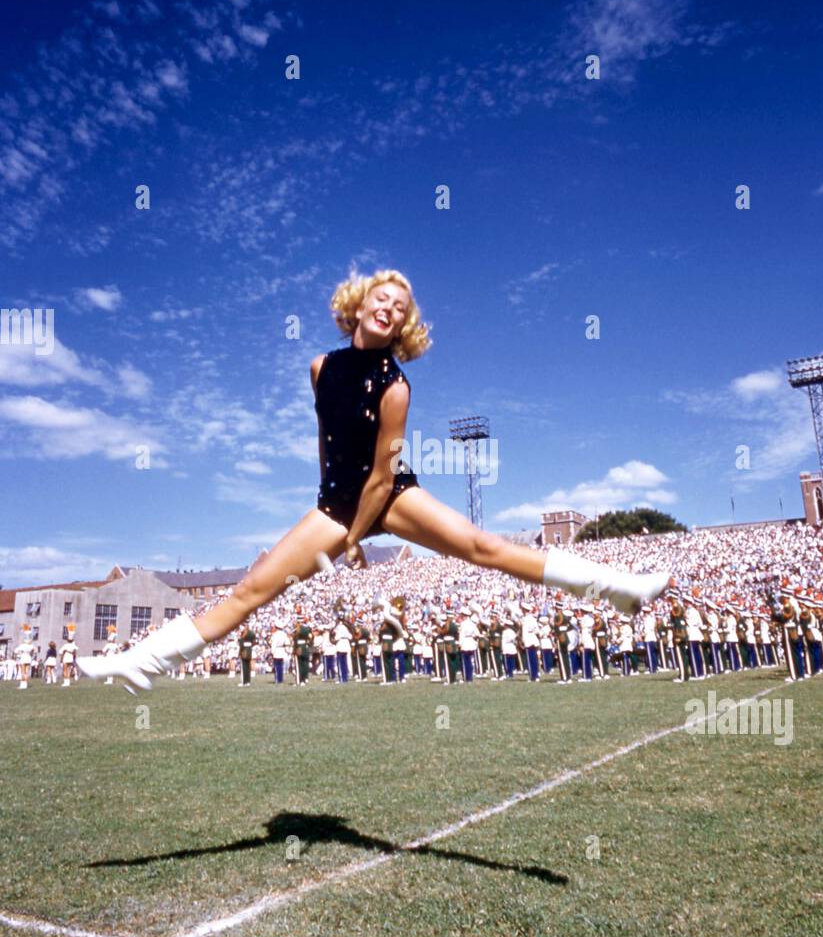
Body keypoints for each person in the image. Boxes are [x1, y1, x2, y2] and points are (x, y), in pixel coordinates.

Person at [78, 271, 669, 691]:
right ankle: (144, 662)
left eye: (401, 309)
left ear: (401, 327)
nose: (390, 309)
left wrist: (357, 538)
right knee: (250, 591)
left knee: (482, 547)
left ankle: (616, 588)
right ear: (358, 306)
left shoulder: (394, 385)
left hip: (389, 494)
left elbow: (383, 475)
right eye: (382, 299)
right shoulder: (320, 367)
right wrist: (327, 507)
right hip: (336, 502)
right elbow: (326, 439)